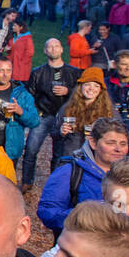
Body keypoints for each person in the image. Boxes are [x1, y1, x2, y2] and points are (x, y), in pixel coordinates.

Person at [37, 117, 129, 237]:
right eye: (110, 143)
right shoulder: (70, 172)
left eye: (123, 144)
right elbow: (47, 213)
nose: (118, 149)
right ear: (93, 143)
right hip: (79, 246)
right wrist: (87, 216)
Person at [24, 38, 80, 184]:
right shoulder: (38, 72)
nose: (53, 49)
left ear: (62, 49)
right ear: (45, 51)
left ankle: (54, 184)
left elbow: (82, 94)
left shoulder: (74, 73)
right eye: (50, 47)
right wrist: (35, 112)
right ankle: (27, 182)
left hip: (64, 117)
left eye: (56, 46)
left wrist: (68, 91)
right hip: (43, 115)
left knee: (59, 154)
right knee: (31, 150)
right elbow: (29, 95)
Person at [54, 66, 113, 156]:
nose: (91, 88)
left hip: (97, 157)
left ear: (101, 90)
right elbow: (54, 132)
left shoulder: (108, 109)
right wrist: (61, 131)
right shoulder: (68, 107)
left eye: (96, 86)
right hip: (71, 155)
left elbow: (117, 133)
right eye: (87, 84)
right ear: (80, 87)